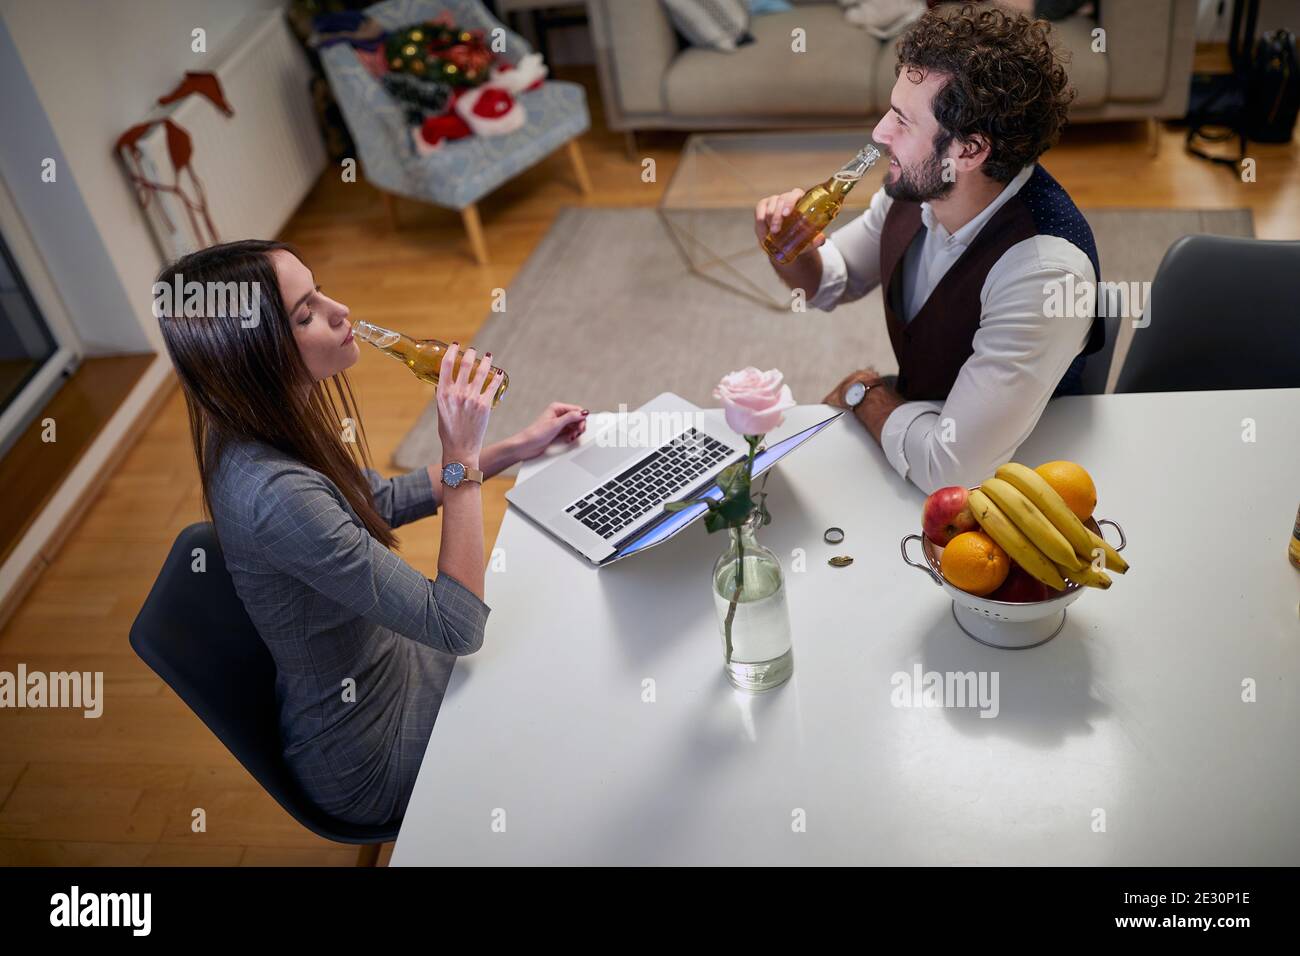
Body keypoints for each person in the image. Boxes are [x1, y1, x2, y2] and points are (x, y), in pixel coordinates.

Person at [155, 238, 588, 825]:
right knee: (567, 708)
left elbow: (375, 501)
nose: (341, 313)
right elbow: (455, 626)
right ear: (250, 354)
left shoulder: (260, 423)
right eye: (305, 314)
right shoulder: (274, 494)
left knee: (562, 645)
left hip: (394, 662)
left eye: (319, 291)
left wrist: (513, 447)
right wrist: (460, 456)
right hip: (365, 751)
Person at [754, 2, 1104, 493]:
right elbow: (828, 283)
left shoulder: (1044, 273)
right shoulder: (920, 189)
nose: (879, 133)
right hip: (920, 425)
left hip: (1022, 476)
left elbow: (953, 468)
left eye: (903, 120)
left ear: (968, 150)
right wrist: (785, 247)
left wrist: (865, 392)